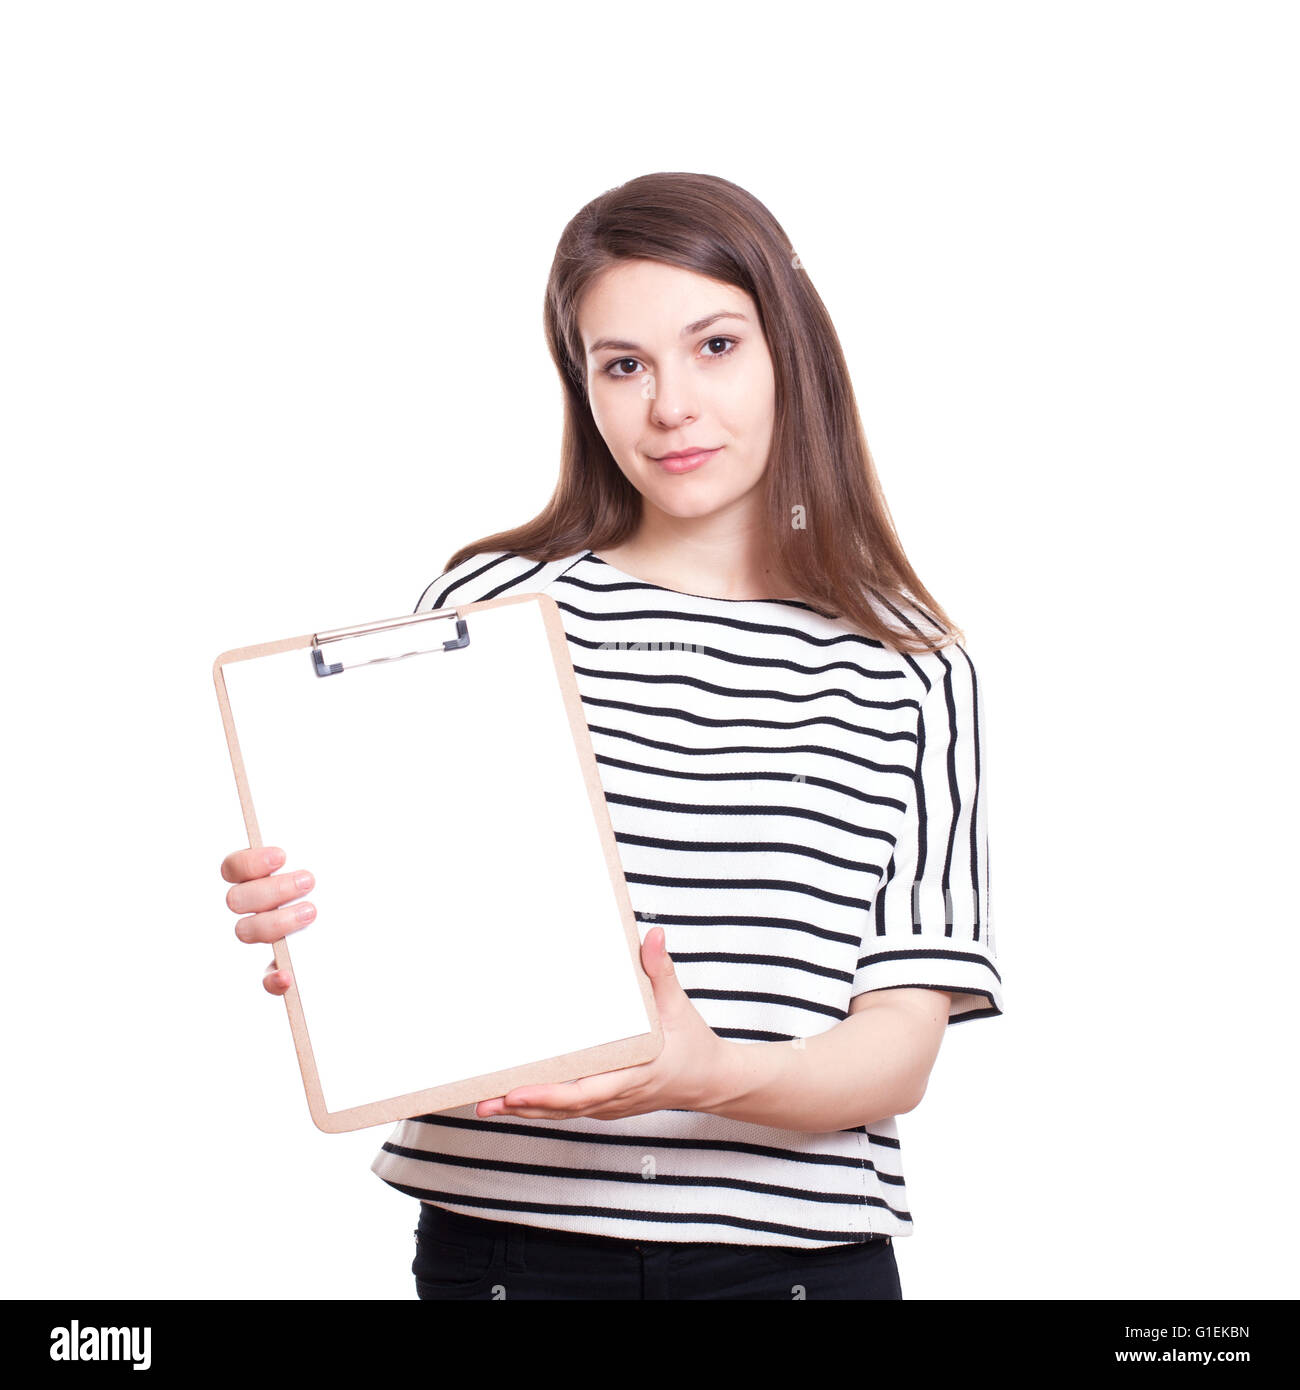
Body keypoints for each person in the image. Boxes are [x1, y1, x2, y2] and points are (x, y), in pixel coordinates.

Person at [219, 171, 1001, 1301]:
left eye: (715, 346)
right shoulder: (487, 602)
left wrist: (706, 1072)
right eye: (621, 364)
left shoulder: (911, 662)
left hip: (790, 1267)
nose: (670, 404)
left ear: (792, 348)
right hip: (505, 1249)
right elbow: (417, 914)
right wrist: (332, 932)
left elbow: (901, 1044)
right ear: (582, 387)